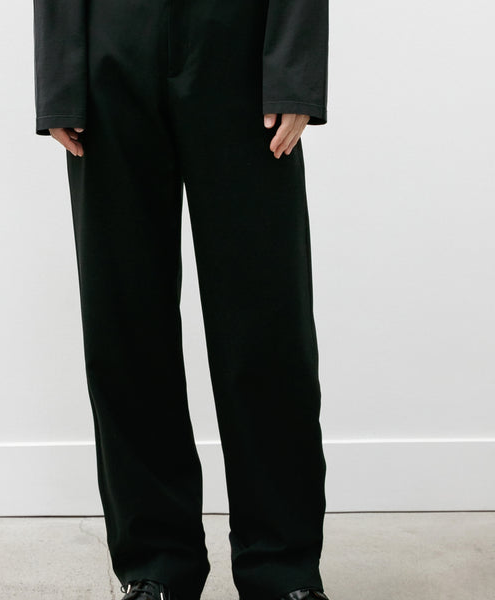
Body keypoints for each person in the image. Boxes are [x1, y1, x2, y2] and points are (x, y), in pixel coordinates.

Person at [32, 1, 331, 600]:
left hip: (243, 54)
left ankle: (283, 569)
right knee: (124, 321)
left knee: (266, 320)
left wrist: (294, 74)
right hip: (110, 52)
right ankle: (156, 565)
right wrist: (60, 82)